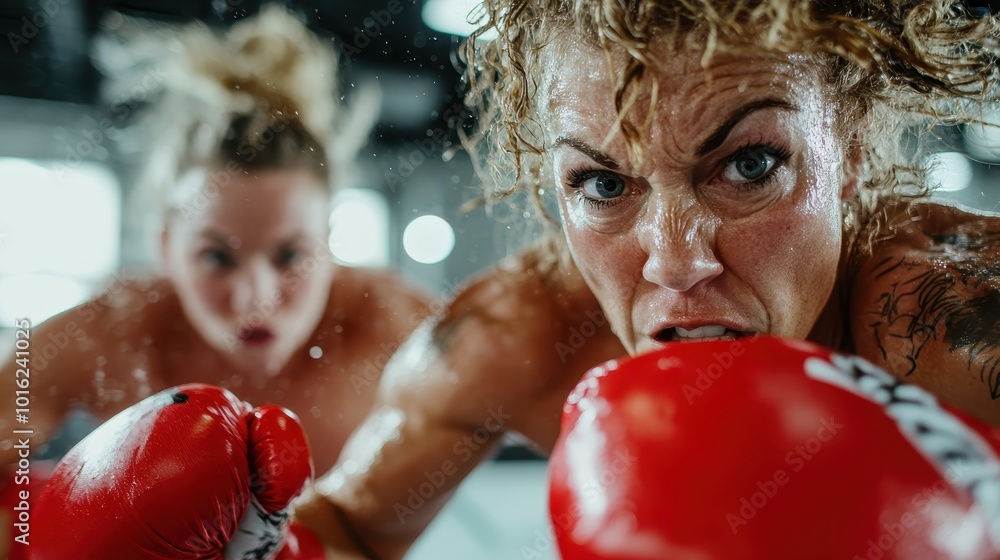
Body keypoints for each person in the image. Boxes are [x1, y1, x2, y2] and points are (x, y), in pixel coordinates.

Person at [17, 0, 999, 558]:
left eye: (746, 165)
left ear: (852, 160)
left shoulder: (957, 329)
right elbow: (347, 529)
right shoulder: (516, 337)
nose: (672, 258)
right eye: (603, 183)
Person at [0, 6, 429, 476]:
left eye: (291, 255)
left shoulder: (396, 326)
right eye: (217, 257)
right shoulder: (113, 333)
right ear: (166, 248)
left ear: (328, 246)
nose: (255, 297)